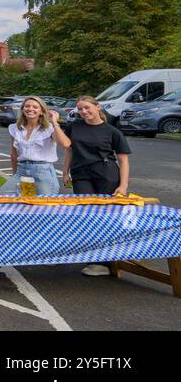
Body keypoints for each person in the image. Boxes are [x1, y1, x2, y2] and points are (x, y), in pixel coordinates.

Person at [63, 95, 132, 277]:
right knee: (87, 216)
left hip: (106, 174)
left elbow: (123, 161)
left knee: (105, 217)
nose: (83, 112)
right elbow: (68, 149)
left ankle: (104, 262)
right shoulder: (74, 126)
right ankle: (94, 258)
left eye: (87, 108)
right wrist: (65, 171)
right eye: (80, 109)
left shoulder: (112, 131)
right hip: (81, 174)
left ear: (98, 107)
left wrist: (123, 186)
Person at [5, 96, 63, 196]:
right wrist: (14, 174)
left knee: (43, 206)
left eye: (35, 107)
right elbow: (13, 154)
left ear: (41, 111)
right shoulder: (14, 128)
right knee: (4, 196)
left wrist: (54, 122)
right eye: (27, 106)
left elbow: (64, 144)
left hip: (43, 171)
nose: (30, 109)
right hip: (21, 170)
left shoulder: (49, 128)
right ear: (23, 109)